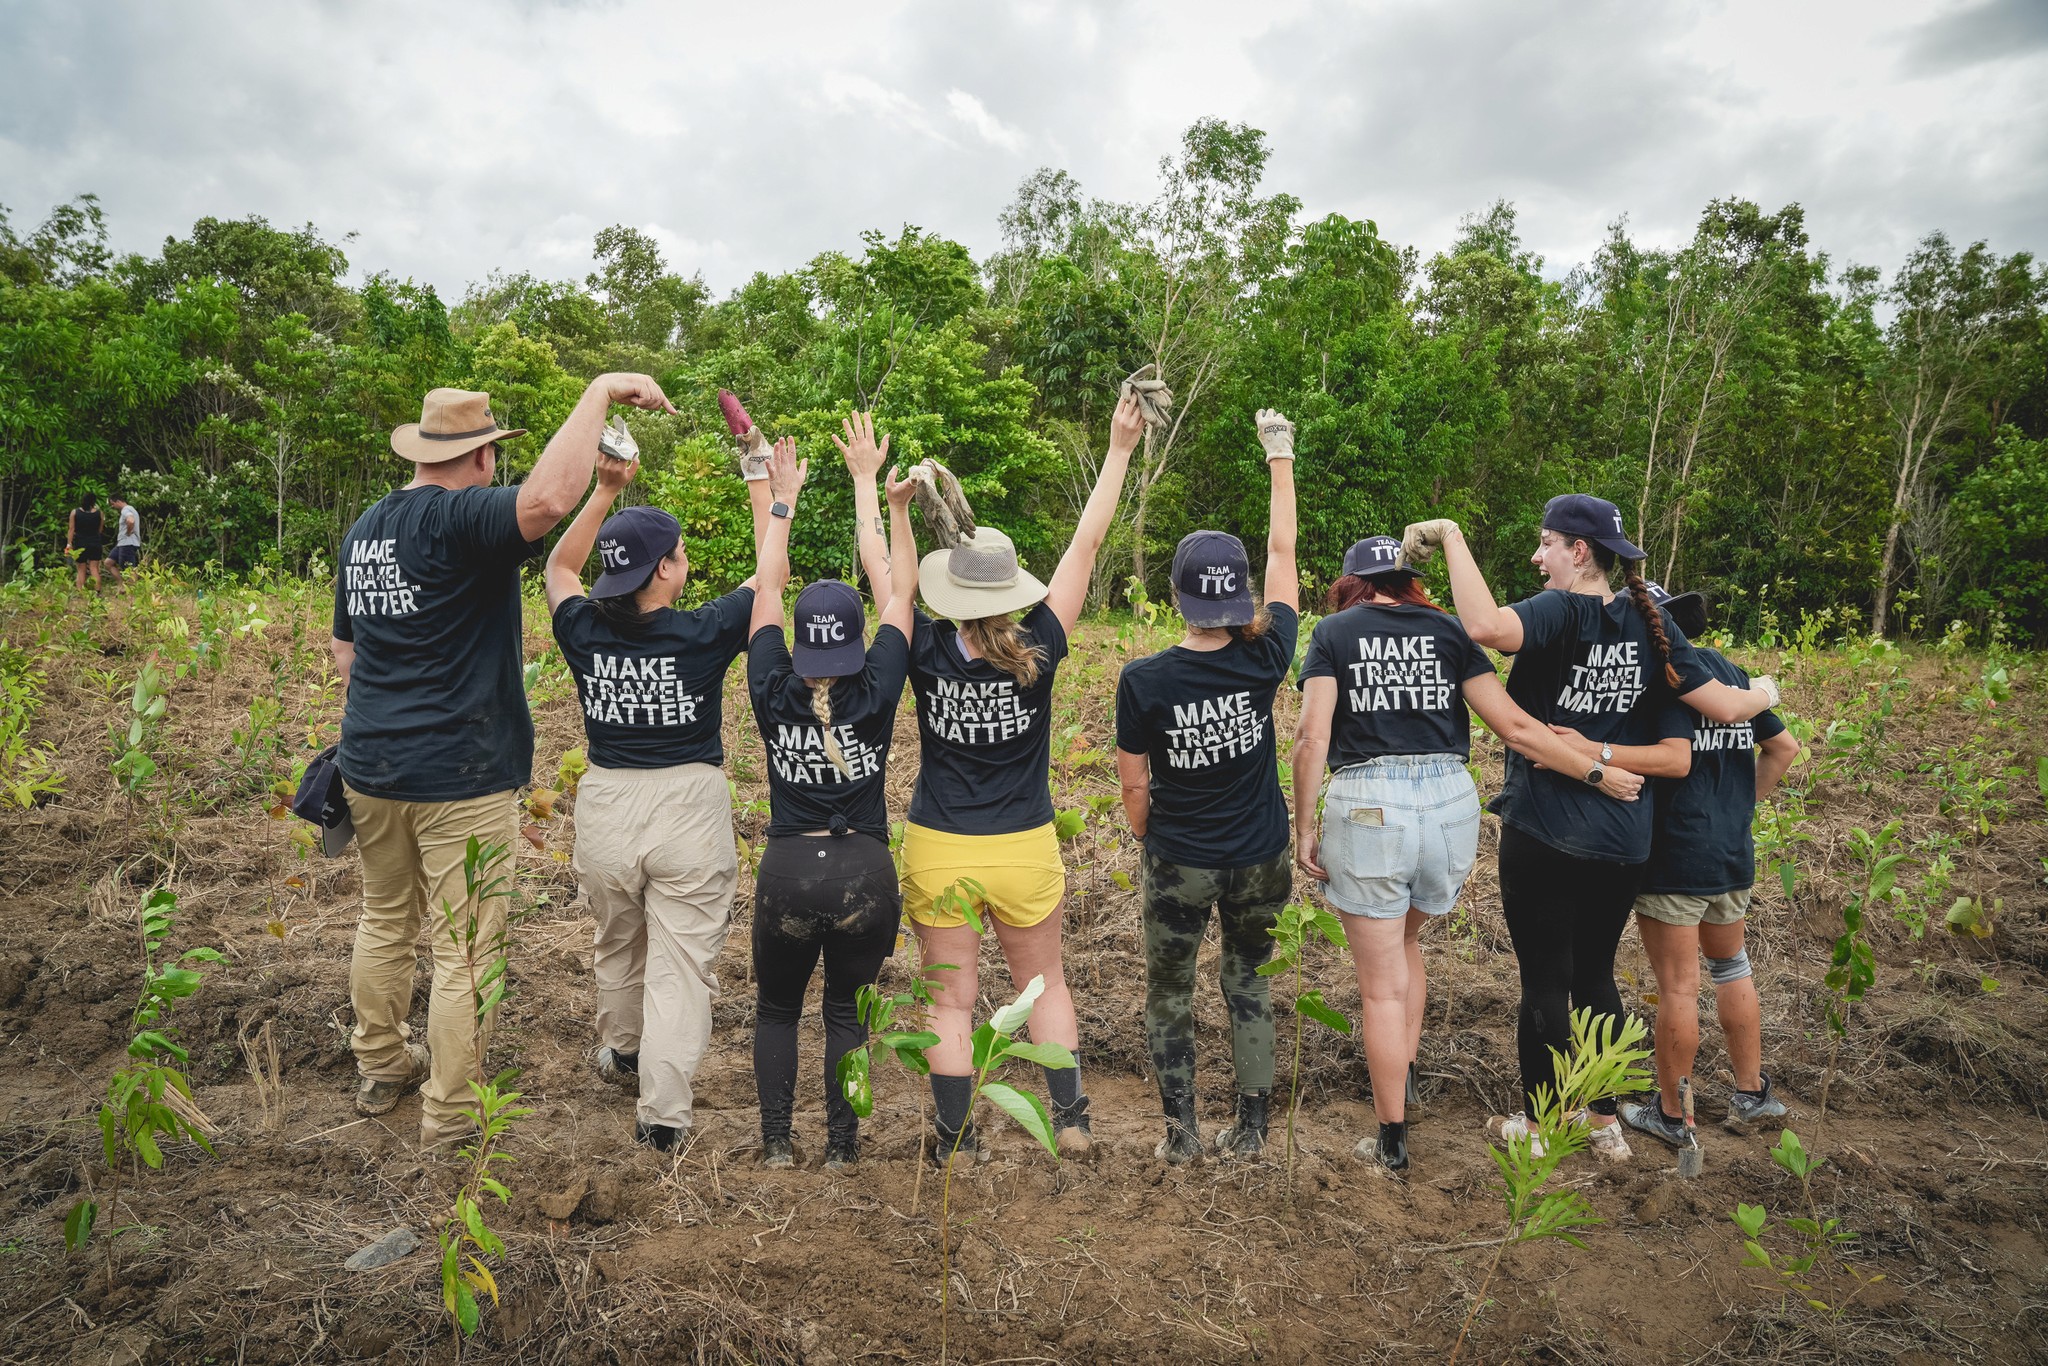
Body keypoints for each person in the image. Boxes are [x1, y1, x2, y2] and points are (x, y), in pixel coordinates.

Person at [333, 377, 674, 1147]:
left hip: (371, 766)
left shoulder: (366, 529)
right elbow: (548, 501)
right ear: (482, 455)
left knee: (385, 918)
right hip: (460, 775)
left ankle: (383, 1063)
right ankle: (450, 1114)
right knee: (465, 944)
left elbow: (345, 653)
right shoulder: (459, 516)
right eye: (495, 451)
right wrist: (600, 393)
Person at [1403, 496, 1780, 1161]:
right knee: (1598, 977)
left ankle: (1543, 1128)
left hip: (1546, 828)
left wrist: (1452, 536)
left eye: (1545, 543)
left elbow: (1487, 626)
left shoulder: (1561, 609)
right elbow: (1723, 706)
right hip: (1623, 839)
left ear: (1580, 551)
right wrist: (1767, 695)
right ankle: (1605, 1122)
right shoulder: (1653, 622)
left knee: (1545, 981)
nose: (1536, 557)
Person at [1293, 533, 1647, 1173]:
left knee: (1380, 989)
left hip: (1371, 802)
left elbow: (1311, 737)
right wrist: (1594, 770)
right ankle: (1407, 1077)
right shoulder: (1449, 631)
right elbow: (1513, 726)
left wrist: (1303, 827)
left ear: (1351, 586)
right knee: (1406, 944)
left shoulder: (1335, 634)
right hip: (1451, 805)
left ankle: (1392, 1140)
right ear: (1407, 581)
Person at [901, 389, 1146, 1164]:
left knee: (950, 998)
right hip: (1025, 845)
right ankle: (1070, 1121)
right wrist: (1118, 448)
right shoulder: (1040, 638)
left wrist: (896, 508)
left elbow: (891, 581)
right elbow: (1086, 544)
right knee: (1045, 986)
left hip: (939, 842)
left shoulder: (925, 645)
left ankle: (956, 1140)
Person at [543, 423, 771, 1153]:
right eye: (677, 554)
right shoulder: (703, 633)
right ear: (664, 573)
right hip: (686, 808)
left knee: (618, 937)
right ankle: (663, 1115)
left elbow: (559, 568)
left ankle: (623, 1049)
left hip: (607, 804)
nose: (686, 560)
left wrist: (603, 491)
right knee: (680, 964)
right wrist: (768, 487)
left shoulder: (583, 630)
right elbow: (769, 576)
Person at [1113, 408, 1300, 1164]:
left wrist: (1151, 836)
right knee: (1249, 981)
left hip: (1180, 859)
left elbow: (1133, 790)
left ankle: (1182, 1134)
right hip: (1261, 855)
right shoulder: (1266, 655)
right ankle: (1254, 1128)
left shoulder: (1145, 680)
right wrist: (1278, 457)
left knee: (1172, 993)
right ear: (1240, 595)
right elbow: (1286, 550)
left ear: (1177, 596)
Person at [745, 414, 919, 1170]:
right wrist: (873, 491)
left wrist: (781, 502)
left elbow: (767, 585)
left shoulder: (769, 682)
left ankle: (779, 1146)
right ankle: (843, 1150)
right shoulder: (880, 682)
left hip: (788, 871)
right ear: (853, 640)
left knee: (778, 1011)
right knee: (848, 1017)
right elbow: (902, 590)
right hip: (864, 874)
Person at [1619, 584, 1798, 1146]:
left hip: (1675, 855)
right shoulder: (1730, 673)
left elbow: (1669, 760)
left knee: (1677, 986)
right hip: (1729, 853)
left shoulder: (1659, 680)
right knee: (1732, 967)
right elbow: (1784, 748)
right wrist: (1739, 810)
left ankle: (1673, 1115)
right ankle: (1752, 1094)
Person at [67, 492, 105, 590]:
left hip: (80, 542)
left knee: (81, 569)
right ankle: (97, 591)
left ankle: (80, 591)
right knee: (94, 568)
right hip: (95, 542)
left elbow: (71, 529)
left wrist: (69, 543)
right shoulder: (99, 513)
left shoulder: (75, 512)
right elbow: (100, 529)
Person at [109, 496, 141, 575]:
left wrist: (128, 532)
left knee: (129, 569)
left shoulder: (125, 510)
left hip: (127, 543)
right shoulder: (131, 509)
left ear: (118, 501)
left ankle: (132, 587)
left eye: (113, 504)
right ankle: (121, 585)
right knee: (108, 562)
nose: (112, 506)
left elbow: (131, 520)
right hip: (122, 543)